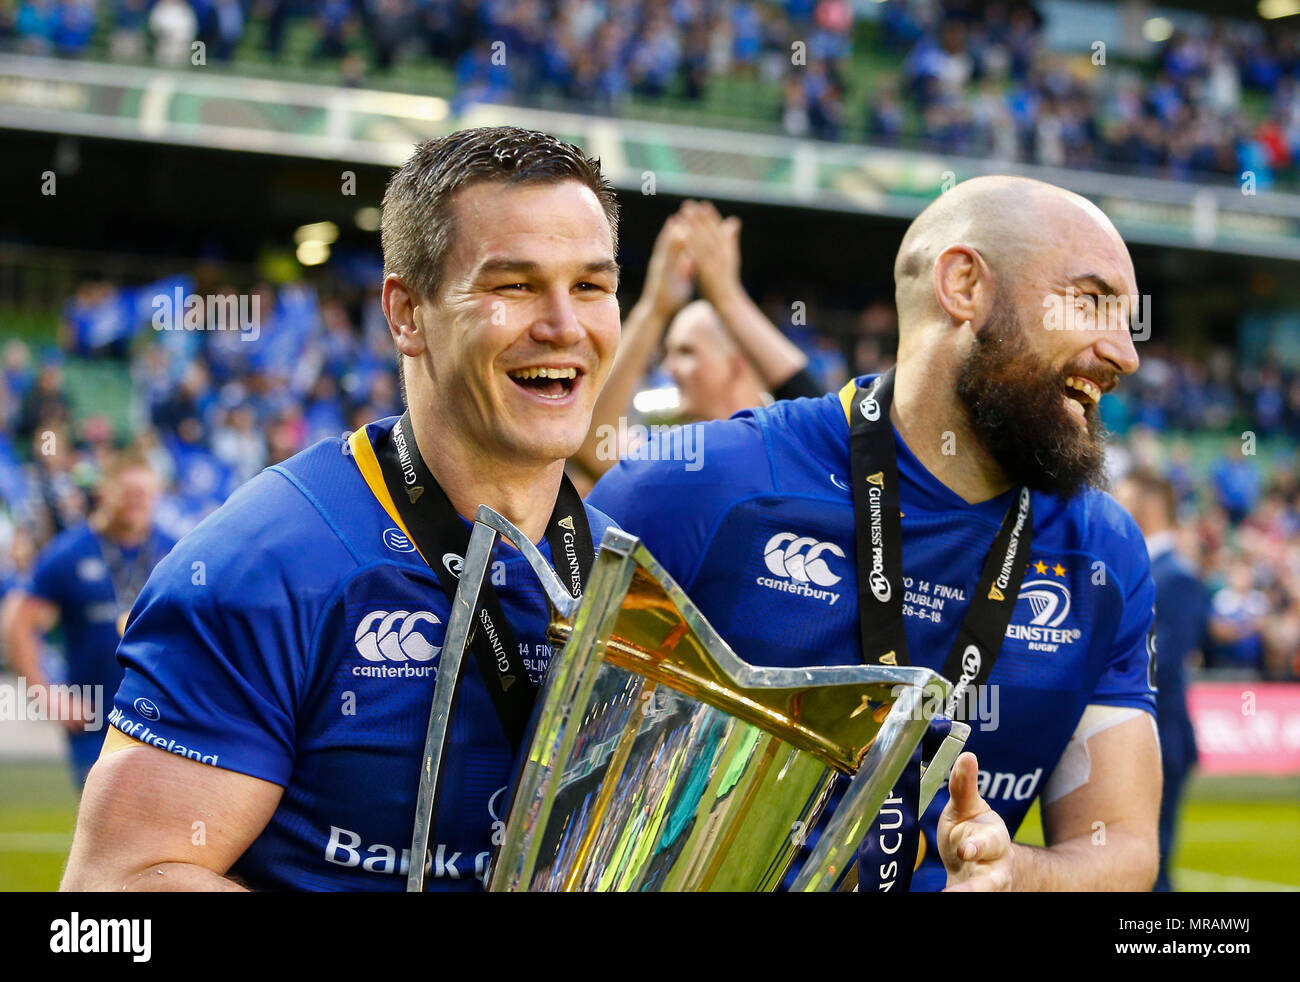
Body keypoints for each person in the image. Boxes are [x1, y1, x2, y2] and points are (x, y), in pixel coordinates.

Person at [61, 126, 622, 891]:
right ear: (406, 314)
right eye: (513, 286)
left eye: (591, 286)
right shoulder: (267, 563)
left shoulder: (622, 575)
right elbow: (113, 895)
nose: (564, 325)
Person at [589, 175, 1161, 891]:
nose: (1126, 353)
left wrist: (1016, 871)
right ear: (964, 285)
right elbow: (554, 793)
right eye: (1092, 301)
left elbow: (1125, 851)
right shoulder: (698, 489)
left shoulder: (1102, 556)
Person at [574, 200, 824, 480]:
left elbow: (829, 429)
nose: (668, 368)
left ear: (736, 365)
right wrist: (655, 307)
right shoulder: (681, 455)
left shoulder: (780, 451)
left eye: (686, 352)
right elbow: (591, 444)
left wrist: (729, 298)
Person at [2, 447, 173, 787]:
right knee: (108, 826)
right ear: (104, 492)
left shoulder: (172, 551)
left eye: (145, 494)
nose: (137, 502)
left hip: (159, 717)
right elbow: (16, 622)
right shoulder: (70, 551)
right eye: (128, 493)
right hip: (94, 717)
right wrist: (46, 695)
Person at [1115, 468, 1206, 892]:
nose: (1114, 502)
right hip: (1134, 736)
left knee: (1151, 866)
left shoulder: (1177, 576)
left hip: (1158, 738)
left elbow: (1164, 664)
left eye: (1124, 494)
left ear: (1149, 504)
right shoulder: (1145, 568)